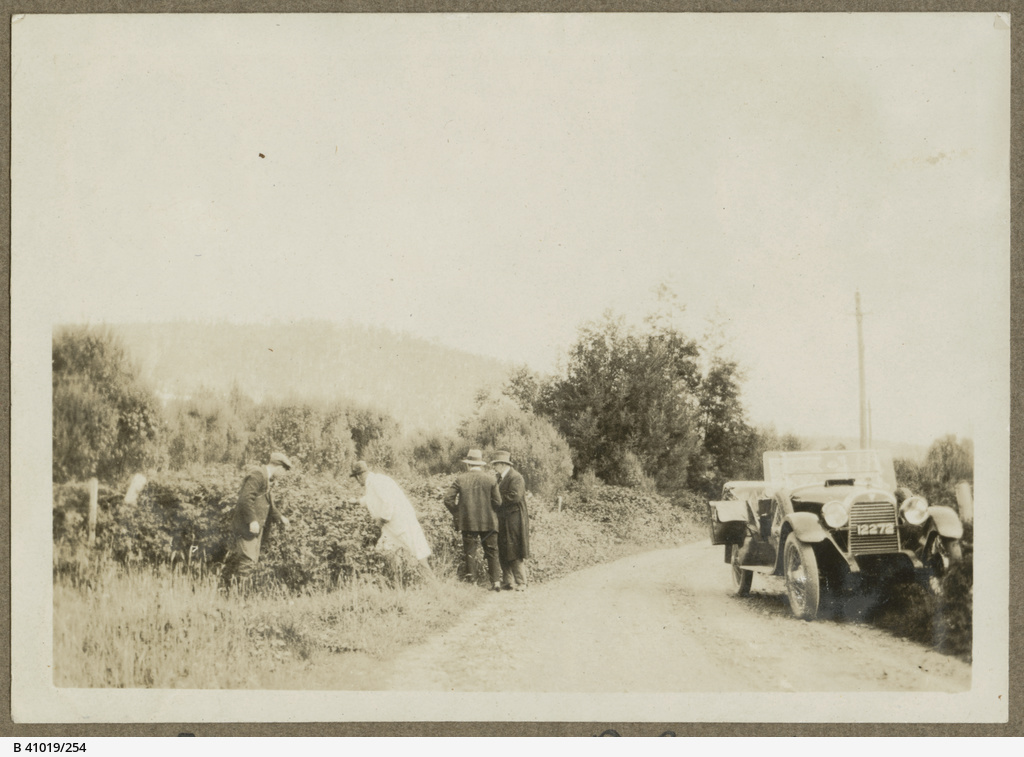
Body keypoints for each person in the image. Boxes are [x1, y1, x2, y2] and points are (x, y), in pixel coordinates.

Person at [221, 452, 292, 591]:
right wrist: (252, 520)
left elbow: (268, 504)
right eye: (284, 471)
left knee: (246, 562)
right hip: (247, 527)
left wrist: (280, 517)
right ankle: (239, 598)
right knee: (247, 563)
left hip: (255, 528)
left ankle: (231, 593)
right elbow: (245, 499)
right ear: (278, 467)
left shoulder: (266, 479)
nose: (284, 475)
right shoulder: (258, 475)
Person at [350, 460, 434, 579]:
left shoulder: (377, 482)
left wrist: (381, 521)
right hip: (393, 525)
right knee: (389, 551)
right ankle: (398, 581)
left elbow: (388, 502)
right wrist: (357, 502)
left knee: (417, 551)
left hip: (401, 522)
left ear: (358, 476)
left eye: (356, 478)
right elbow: (371, 499)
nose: (357, 482)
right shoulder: (374, 481)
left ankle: (432, 582)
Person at [443, 448, 502, 590]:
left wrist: (458, 513)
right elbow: (498, 502)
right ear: (481, 464)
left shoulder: (461, 479)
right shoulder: (491, 479)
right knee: (492, 551)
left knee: (470, 552)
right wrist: (489, 510)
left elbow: (447, 499)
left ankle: (473, 583)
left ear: (468, 464)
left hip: (468, 522)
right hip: (489, 522)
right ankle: (496, 582)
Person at [491, 450, 530, 591]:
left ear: (502, 464)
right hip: (503, 518)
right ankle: (508, 581)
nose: (494, 467)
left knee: (514, 549)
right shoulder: (499, 477)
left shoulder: (516, 477)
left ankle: (522, 582)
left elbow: (515, 497)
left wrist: (496, 498)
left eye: (495, 464)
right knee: (503, 547)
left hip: (515, 519)